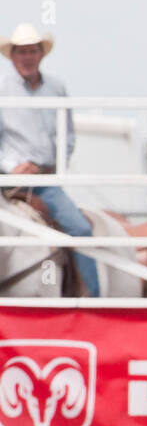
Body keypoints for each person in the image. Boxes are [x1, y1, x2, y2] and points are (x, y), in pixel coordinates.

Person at [0, 23, 99, 296]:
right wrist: (13, 168)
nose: (27, 57)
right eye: (22, 52)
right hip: (7, 179)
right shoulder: (2, 88)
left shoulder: (56, 88)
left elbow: (67, 137)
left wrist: (49, 166)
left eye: (32, 51)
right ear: (13, 55)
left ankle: (93, 299)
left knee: (79, 228)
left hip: (45, 179)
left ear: (41, 54)